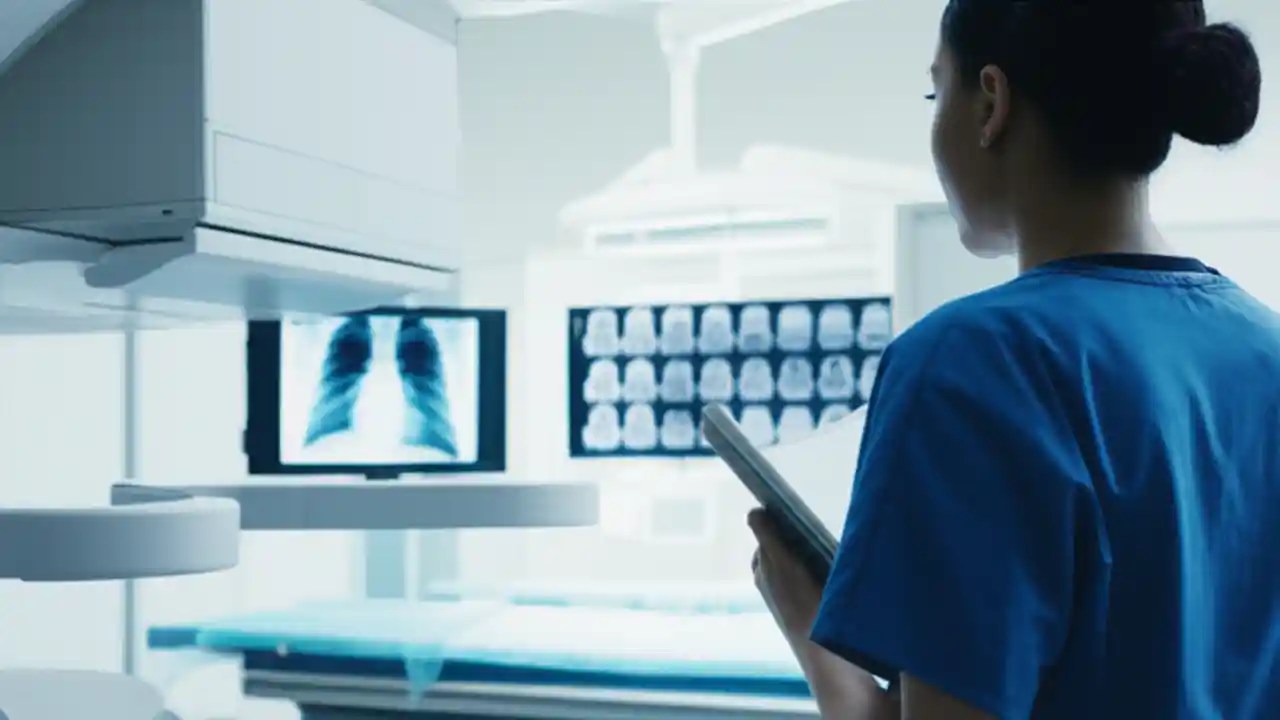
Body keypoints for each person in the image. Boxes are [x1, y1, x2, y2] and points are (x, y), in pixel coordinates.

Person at [747, 2, 1274, 719]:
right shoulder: (1266, 352)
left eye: (939, 93)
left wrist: (810, 631)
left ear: (991, 103)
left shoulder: (967, 366)